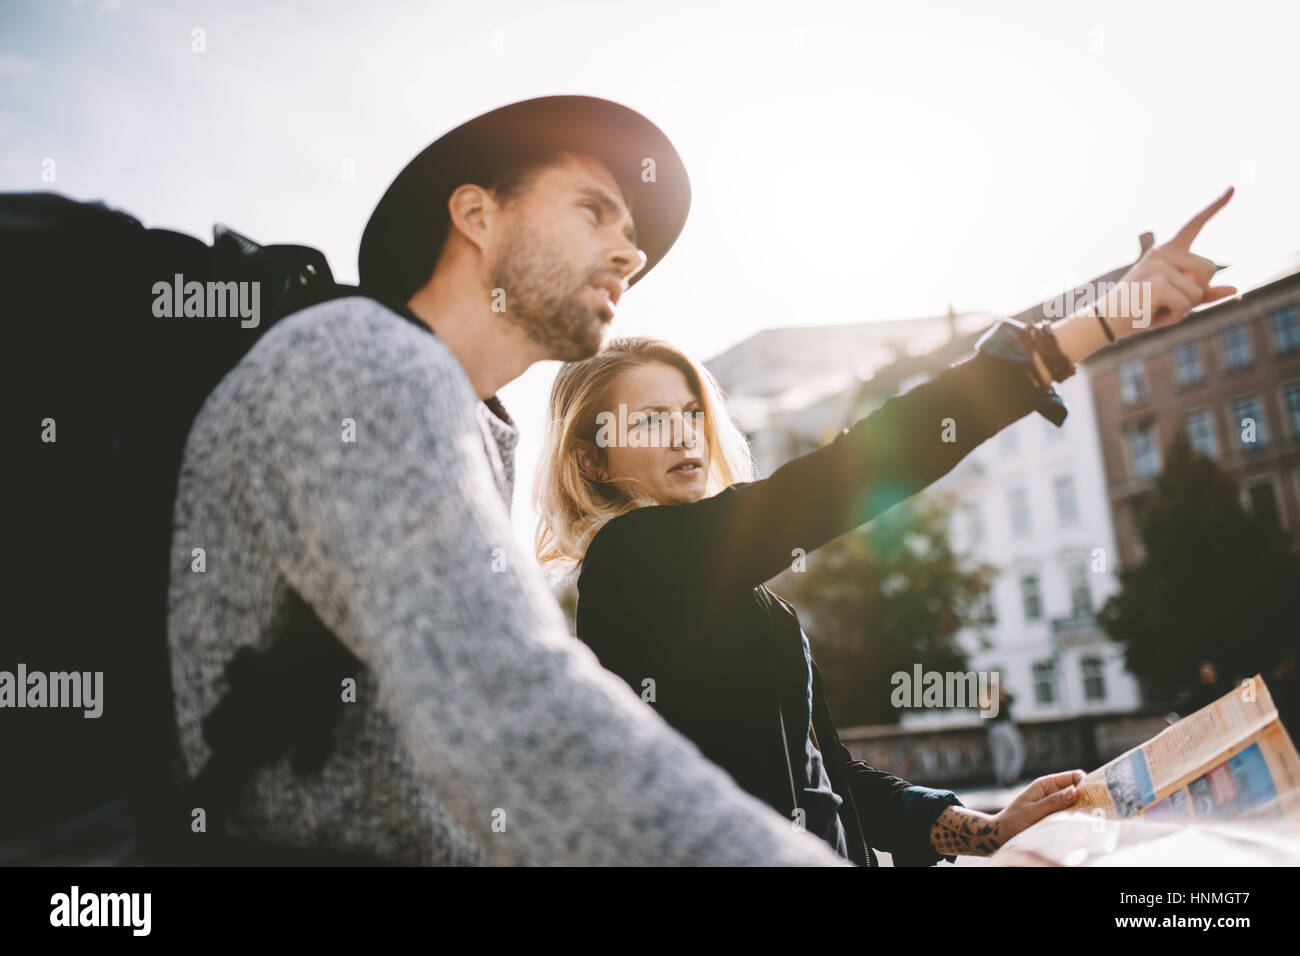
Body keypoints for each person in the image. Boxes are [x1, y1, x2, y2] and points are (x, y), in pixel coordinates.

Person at [165, 95, 849, 866]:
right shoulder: (361, 361)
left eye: (634, 241)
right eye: (595, 211)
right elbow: (507, 705)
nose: (629, 254)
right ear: (476, 214)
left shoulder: (466, 419)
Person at [534, 189, 1237, 864]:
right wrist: (1097, 324)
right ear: (593, 460)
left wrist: (988, 830)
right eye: (650, 421)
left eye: (691, 412)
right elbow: (838, 480)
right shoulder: (630, 560)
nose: (684, 434)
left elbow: (834, 781)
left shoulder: (753, 602)